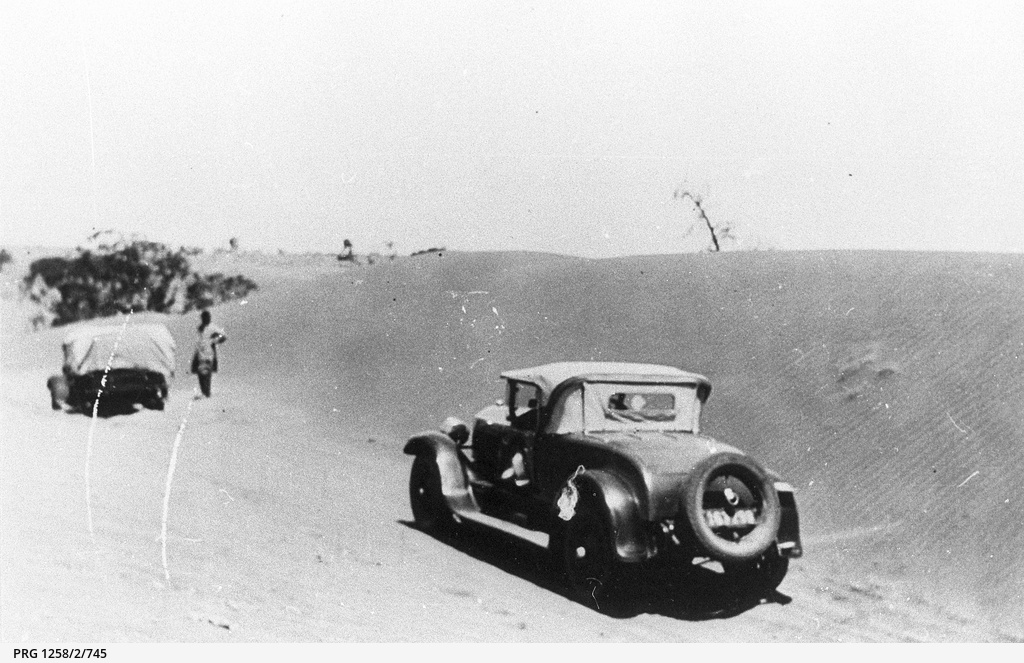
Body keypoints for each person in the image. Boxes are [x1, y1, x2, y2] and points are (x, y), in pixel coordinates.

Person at [191, 310, 226, 398]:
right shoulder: (200, 328)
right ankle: (204, 392)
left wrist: (215, 340)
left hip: (209, 352)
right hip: (200, 353)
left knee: (207, 372)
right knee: (200, 372)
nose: (205, 319)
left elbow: (223, 336)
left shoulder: (213, 327)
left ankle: (206, 393)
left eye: (206, 317)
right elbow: (199, 341)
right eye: (203, 318)